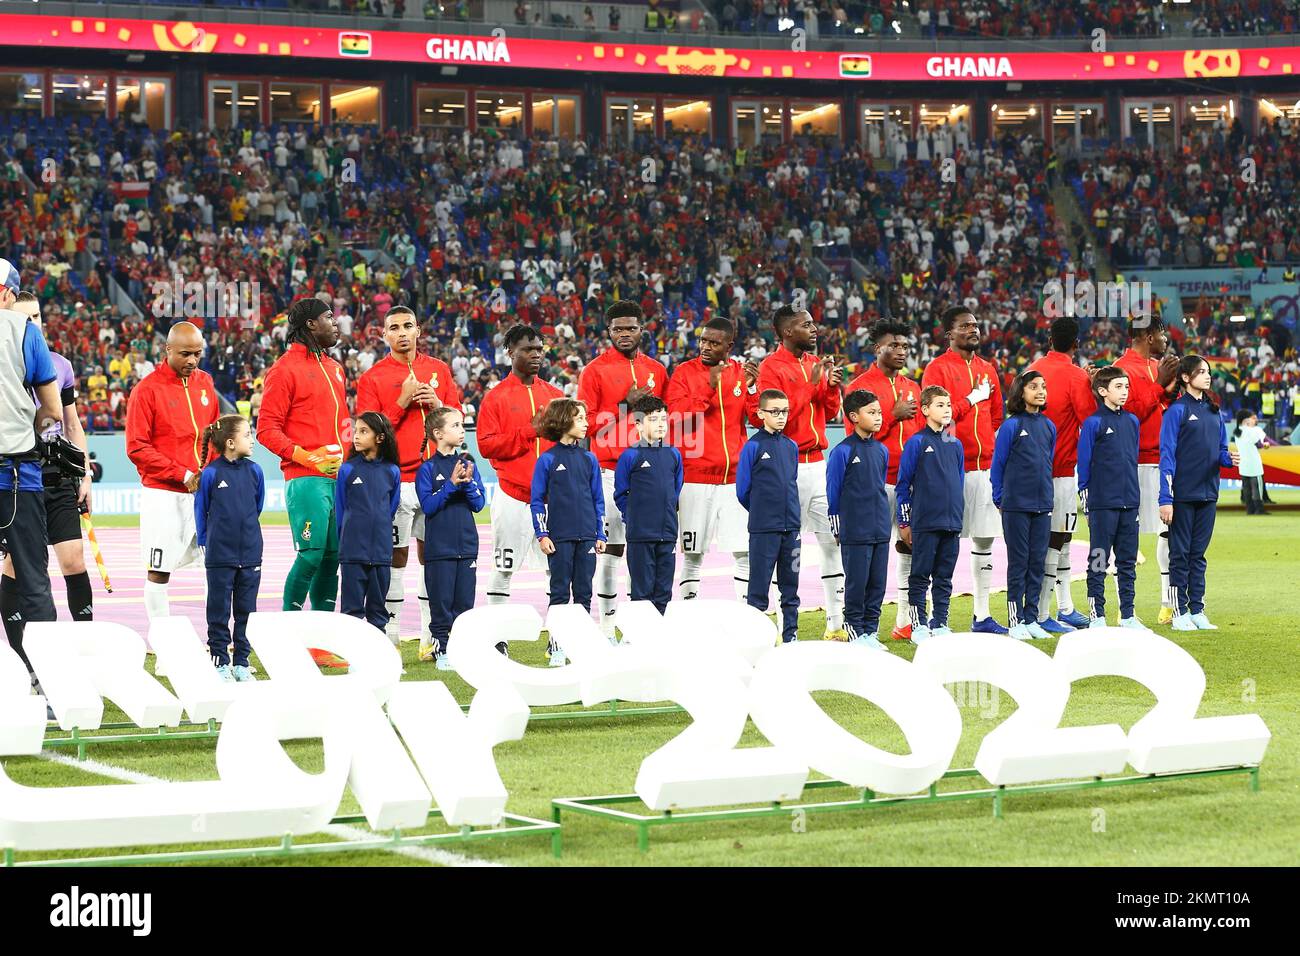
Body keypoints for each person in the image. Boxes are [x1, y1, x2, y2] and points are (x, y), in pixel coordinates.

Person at [355, 305, 462, 645]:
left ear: (418, 331)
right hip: (393, 479)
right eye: (394, 327)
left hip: (435, 478)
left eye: (407, 326)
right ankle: (393, 632)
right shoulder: (373, 377)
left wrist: (437, 407)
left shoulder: (440, 371)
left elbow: (456, 421)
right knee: (395, 555)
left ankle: (432, 636)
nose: (401, 332)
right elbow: (367, 432)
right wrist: (401, 402)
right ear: (384, 335)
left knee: (432, 554)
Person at [257, 298, 349, 649]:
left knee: (332, 558)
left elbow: (341, 425)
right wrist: (309, 458)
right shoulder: (283, 370)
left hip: (338, 480)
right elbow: (266, 429)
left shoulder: (336, 368)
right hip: (306, 479)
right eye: (328, 317)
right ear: (311, 325)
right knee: (311, 554)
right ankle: (288, 640)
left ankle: (320, 646)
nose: (335, 322)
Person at [1, 292, 94, 629]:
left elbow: (71, 424)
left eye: (37, 316)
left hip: (56, 475)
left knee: (74, 560)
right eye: (27, 318)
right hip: (19, 473)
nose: (34, 324)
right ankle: (23, 653)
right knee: (16, 566)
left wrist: (84, 475)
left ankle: (85, 645)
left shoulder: (60, 364)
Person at [753, 305, 846, 639]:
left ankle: (836, 624)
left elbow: (831, 410)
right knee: (784, 547)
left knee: (831, 541)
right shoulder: (770, 368)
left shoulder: (813, 363)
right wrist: (810, 383)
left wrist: (831, 387)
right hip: (785, 469)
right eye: (806, 324)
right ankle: (783, 628)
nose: (814, 328)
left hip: (818, 463)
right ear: (787, 332)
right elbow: (779, 417)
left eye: (813, 322)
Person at [578, 301, 667, 635]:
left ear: (642, 329)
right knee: (611, 550)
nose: (625, 334)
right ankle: (607, 628)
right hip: (610, 472)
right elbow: (585, 423)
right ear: (609, 332)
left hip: (651, 472)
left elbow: (667, 418)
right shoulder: (594, 371)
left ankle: (646, 624)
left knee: (647, 549)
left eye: (631, 328)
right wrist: (623, 406)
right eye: (618, 329)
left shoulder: (657, 370)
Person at [124, 321, 219, 622]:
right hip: (164, 495)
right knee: (159, 570)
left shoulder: (205, 383)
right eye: (185, 354)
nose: (192, 361)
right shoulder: (146, 390)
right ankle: (163, 643)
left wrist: (211, 474)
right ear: (167, 350)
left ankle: (218, 639)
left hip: (203, 493)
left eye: (198, 354)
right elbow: (137, 447)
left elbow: (214, 434)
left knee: (215, 565)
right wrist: (182, 474)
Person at [921, 306, 1006, 634]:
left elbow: (997, 415)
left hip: (984, 470)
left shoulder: (988, 368)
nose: (973, 329)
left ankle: (981, 615)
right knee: (943, 543)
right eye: (965, 326)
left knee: (984, 541)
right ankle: (932, 616)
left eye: (975, 324)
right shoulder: (937, 369)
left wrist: (985, 438)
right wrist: (969, 400)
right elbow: (933, 417)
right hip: (948, 470)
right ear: (949, 334)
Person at [664, 317, 758, 602]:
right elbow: (676, 419)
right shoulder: (683, 372)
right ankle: (688, 615)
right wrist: (709, 387)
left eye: (714, 343)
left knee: (743, 551)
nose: (705, 347)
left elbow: (756, 417)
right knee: (693, 554)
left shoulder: (741, 373)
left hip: (735, 480)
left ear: (729, 345)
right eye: (703, 340)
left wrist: (753, 388)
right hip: (695, 478)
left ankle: (746, 616)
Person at [0, 260, 61, 691]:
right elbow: (53, 410)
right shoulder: (26, 332)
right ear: (10, 293)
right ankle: (51, 683)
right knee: (34, 579)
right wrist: (31, 429)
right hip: (18, 472)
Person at [843, 319, 923, 640]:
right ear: (878, 349)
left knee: (909, 547)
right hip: (873, 484)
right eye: (895, 346)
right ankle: (846, 624)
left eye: (905, 346)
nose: (902, 351)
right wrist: (892, 414)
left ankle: (904, 621)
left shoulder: (913, 387)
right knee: (865, 556)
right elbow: (855, 436)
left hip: (908, 485)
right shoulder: (860, 388)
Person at [477, 325, 563, 619]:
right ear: (510, 352)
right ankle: (497, 635)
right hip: (513, 497)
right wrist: (530, 431)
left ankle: (558, 639)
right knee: (503, 567)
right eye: (528, 349)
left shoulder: (555, 396)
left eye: (539, 349)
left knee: (557, 570)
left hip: (552, 499)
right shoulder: (495, 397)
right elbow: (486, 446)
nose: (536, 354)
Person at [1026, 316, 1096, 631]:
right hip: (1061, 471)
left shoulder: (1032, 370)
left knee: (1059, 540)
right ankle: (1043, 613)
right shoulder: (1075, 375)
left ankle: (1064, 607)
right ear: (1076, 343)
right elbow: (1090, 420)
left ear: (1050, 340)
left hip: (1030, 469)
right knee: (1057, 539)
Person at [1160, 356, 1239, 631]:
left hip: (1208, 493)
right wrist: (1165, 499)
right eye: (1201, 372)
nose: (1207, 376)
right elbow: (1167, 456)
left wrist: (1229, 460)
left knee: (1198, 554)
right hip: (1182, 495)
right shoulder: (1175, 411)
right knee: (1179, 554)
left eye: (1208, 372)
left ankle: (1197, 609)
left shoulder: (1214, 410)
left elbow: (1221, 450)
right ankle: (1178, 612)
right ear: (1185, 377)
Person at [1114, 316, 1180, 624]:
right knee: (1126, 536)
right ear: (1147, 335)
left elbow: (1163, 408)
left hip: (1163, 460)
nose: (1166, 339)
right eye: (1162, 333)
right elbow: (1129, 414)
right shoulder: (1121, 369)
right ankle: (1124, 608)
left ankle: (1169, 601)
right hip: (1131, 462)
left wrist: (1170, 389)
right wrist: (1159, 386)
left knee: (1169, 532)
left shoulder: (1158, 367)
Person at [531, 398, 606, 666]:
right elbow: (537, 500)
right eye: (580, 418)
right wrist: (542, 534)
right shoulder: (547, 460)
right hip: (559, 536)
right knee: (560, 591)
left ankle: (580, 643)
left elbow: (598, 499)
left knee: (584, 591)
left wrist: (600, 534)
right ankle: (556, 645)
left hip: (587, 535)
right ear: (564, 421)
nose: (587, 423)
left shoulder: (589, 458)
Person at [194, 415, 264, 682]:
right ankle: (220, 660)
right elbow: (202, 510)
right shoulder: (211, 473)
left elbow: (256, 506)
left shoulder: (255, 471)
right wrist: (205, 541)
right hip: (219, 553)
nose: (252, 439)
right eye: (248, 435)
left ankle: (242, 663)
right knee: (219, 610)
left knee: (247, 611)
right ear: (231, 442)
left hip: (250, 551)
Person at [417, 406, 486, 670]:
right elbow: (429, 506)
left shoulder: (469, 464)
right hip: (440, 549)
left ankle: (462, 648)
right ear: (438, 433)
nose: (461, 429)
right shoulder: (428, 468)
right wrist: (451, 485)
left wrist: (467, 484)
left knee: (464, 603)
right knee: (441, 602)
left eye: (462, 424)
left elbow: (479, 504)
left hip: (467, 546)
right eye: (455, 425)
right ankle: (442, 648)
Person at [895, 385, 964, 644]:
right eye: (939, 405)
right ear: (925, 410)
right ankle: (919, 624)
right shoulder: (917, 442)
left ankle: (941, 622)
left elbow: (959, 482)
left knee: (945, 576)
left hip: (951, 521)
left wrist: (958, 514)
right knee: (920, 575)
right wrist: (905, 520)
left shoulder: (955, 444)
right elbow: (903, 485)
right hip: (925, 521)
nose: (946, 410)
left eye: (948, 405)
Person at [991, 370, 1057, 641]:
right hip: (1016, 505)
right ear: (1021, 392)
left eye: (1043, 386)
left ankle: (1031, 618)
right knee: (1018, 562)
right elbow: (998, 465)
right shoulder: (1011, 426)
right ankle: (1015, 620)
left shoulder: (1049, 426)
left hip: (1043, 504)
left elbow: (1048, 462)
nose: (1040, 391)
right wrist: (1000, 498)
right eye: (1033, 387)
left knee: (1037, 562)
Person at [1076, 366, 1141, 628]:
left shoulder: (1132, 421)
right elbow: (1085, 464)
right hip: (1103, 505)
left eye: (1126, 387)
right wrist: (1088, 502)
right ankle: (1097, 616)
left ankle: (1127, 615)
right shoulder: (1093, 423)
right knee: (1099, 559)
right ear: (1103, 391)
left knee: (1127, 562)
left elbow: (1132, 459)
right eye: (1118, 387)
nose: (1124, 392)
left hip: (1129, 503)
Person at [826, 389, 890, 650]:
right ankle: (854, 630)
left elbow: (880, 485)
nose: (878, 417)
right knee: (856, 583)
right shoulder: (842, 452)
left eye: (879, 412)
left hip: (880, 528)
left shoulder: (881, 450)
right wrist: (838, 527)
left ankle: (870, 631)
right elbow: (834, 491)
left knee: (878, 584)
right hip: (855, 529)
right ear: (854, 416)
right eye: (871, 413)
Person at [736, 388, 801, 644]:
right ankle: (755, 640)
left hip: (792, 529)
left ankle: (790, 636)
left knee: (790, 586)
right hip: (764, 529)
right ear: (761, 413)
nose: (781, 416)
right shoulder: (753, 446)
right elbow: (743, 490)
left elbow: (791, 481)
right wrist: (762, 511)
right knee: (758, 587)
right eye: (775, 412)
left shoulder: (791, 446)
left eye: (784, 411)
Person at [614, 395, 683, 616]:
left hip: (668, 532)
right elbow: (620, 493)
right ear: (638, 425)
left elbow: (676, 489)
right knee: (642, 592)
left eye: (664, 418)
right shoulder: (630, 456)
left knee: (664, 591)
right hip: (641, 534)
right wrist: (634, 517)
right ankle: (638, 639)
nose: (661, 424)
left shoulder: (673, 454)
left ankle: (660, 638)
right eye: (654, 419)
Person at [336, 412, 402, 634]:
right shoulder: (347, 469)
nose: (356, 436)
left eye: (363, 431)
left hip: (381, 551)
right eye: (356, 431)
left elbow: (390, 508)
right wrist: (344, 544)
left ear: (380, 438)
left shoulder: (392, 471)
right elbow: (341, 508)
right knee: (351, 611)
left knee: (377, 610)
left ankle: (379, 658)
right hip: (353, 550)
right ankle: (354, 659)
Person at [1232, 410, 1268, 516]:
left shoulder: (1237, 432)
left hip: (1243, 464)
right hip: (1254, 464)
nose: (1254, 420)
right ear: (1246, 420)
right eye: (1252, 418)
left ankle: (1249, 509)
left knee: (1246, 488)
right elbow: (1260, 443)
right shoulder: (1252, 431)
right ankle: (1259, 509)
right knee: (1257, 488)